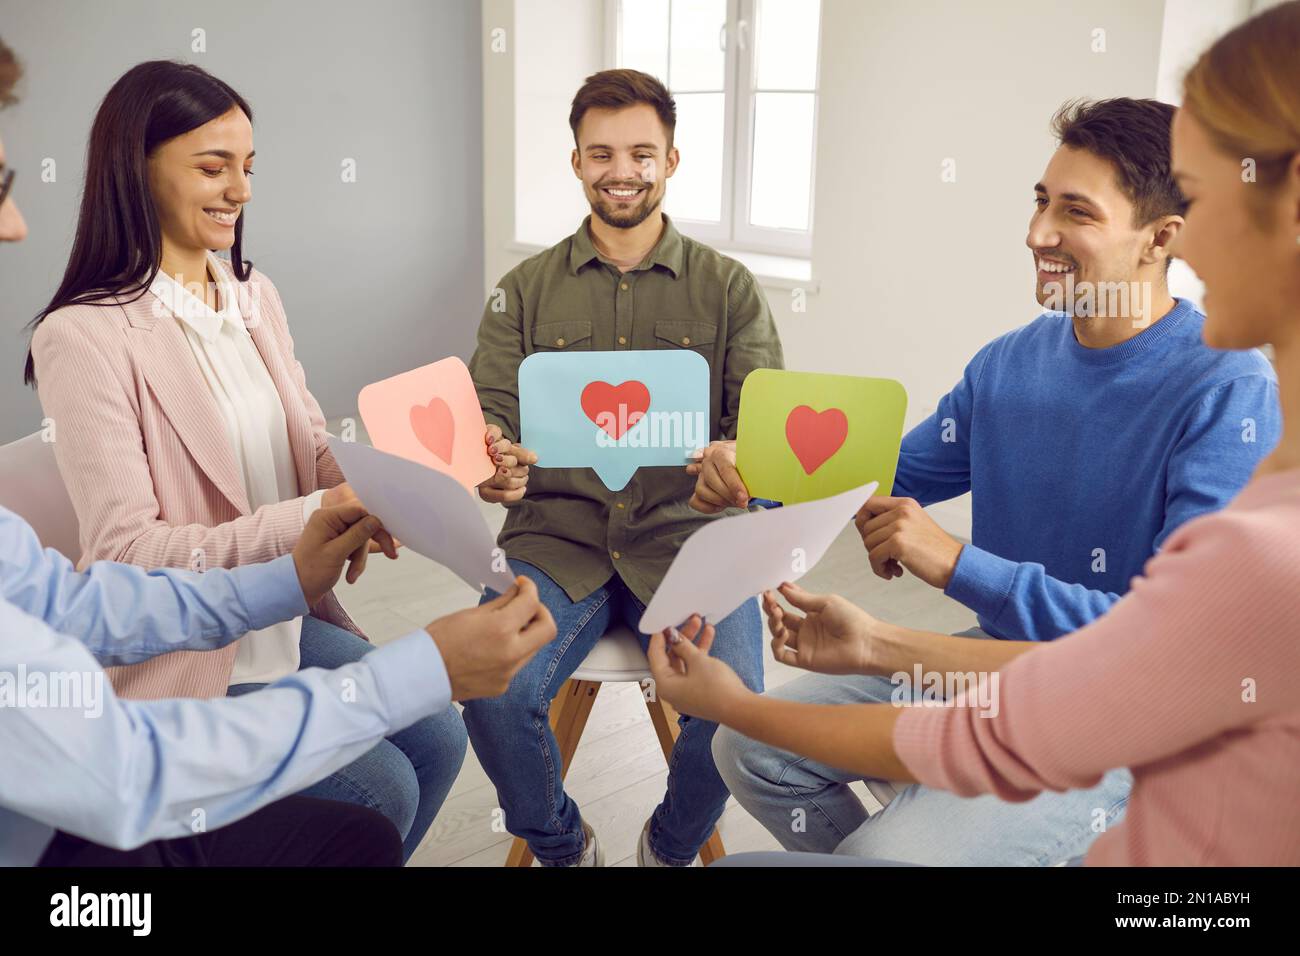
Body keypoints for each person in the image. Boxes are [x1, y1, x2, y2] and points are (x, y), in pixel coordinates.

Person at [649, 0, 1300, 867]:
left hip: (1121, 726)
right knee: (747, 751)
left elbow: (1145, 649)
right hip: (990, 661)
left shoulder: (1228, 391)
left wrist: (956, 563)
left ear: (1161, 238)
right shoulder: (1011, 362)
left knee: (882, 852)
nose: (1036, 234)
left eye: (1075, 212)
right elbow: (882, 467)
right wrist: (752, 469)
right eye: (1039, 203)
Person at [1, 39, 556, 868]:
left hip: (281, 612)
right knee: (383, 790)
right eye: (213, 166)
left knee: (438, 736)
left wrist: (440, 473)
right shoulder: (82, 335)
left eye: (249, 165)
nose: (242, 190)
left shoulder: (254, 296)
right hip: (186, 652)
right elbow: (127, 554)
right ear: (136, 169)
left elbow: (312, 450)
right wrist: (312, 519)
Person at [466, 68, 784, 866]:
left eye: (642, 152)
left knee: (735, 700)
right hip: (554, 534)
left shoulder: (730, 289)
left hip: (693, 538)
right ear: (576, 161)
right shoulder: (522, 291)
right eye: (601, 152)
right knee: (489, 683)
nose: (622, 170)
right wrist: (494, 459)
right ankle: (562, 845)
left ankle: (671, 846)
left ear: (672, 160)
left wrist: (739, 461)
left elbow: (764, 436)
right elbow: (487, 416)